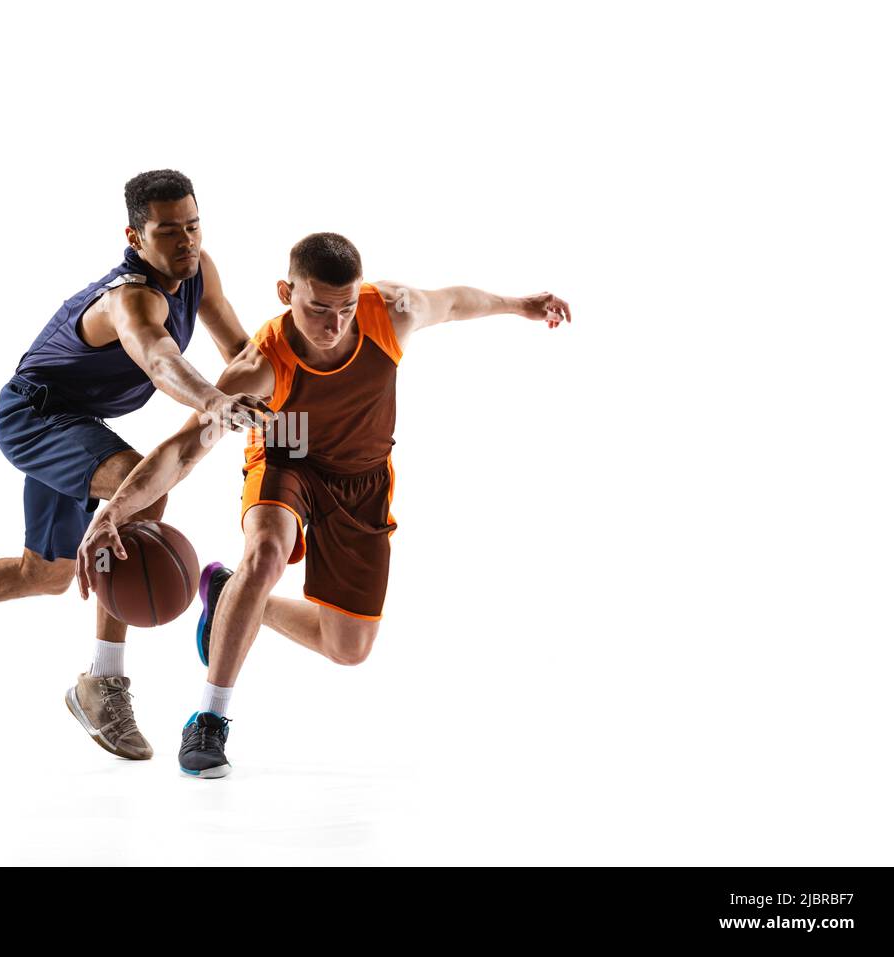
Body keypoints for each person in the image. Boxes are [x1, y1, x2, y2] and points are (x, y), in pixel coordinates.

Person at [75, 232, 571, 777]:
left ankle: (228, 593)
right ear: (286, 292)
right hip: (287, 450)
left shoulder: (391, 313)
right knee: (265, 554)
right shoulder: (260, 367)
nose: (334, 326)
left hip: (362, 478)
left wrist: (521, 305)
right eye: (317, 309)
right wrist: (115, 512)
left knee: (348, 648)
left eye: (345, 308)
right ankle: (209, 720)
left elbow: (453, 301)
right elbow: (182, 450)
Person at [0, 170, 271, 763]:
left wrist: (301, 392)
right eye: (167, 232)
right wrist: (213, 401)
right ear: (134, 236)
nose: (186, 242)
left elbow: (241, 352)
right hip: (34, 415)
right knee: (144, 491)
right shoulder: (130, 300)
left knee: (46, 575)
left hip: (76, 424)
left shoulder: (198, 271)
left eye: (194, 226)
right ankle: (103, 681)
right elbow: (159, 361)